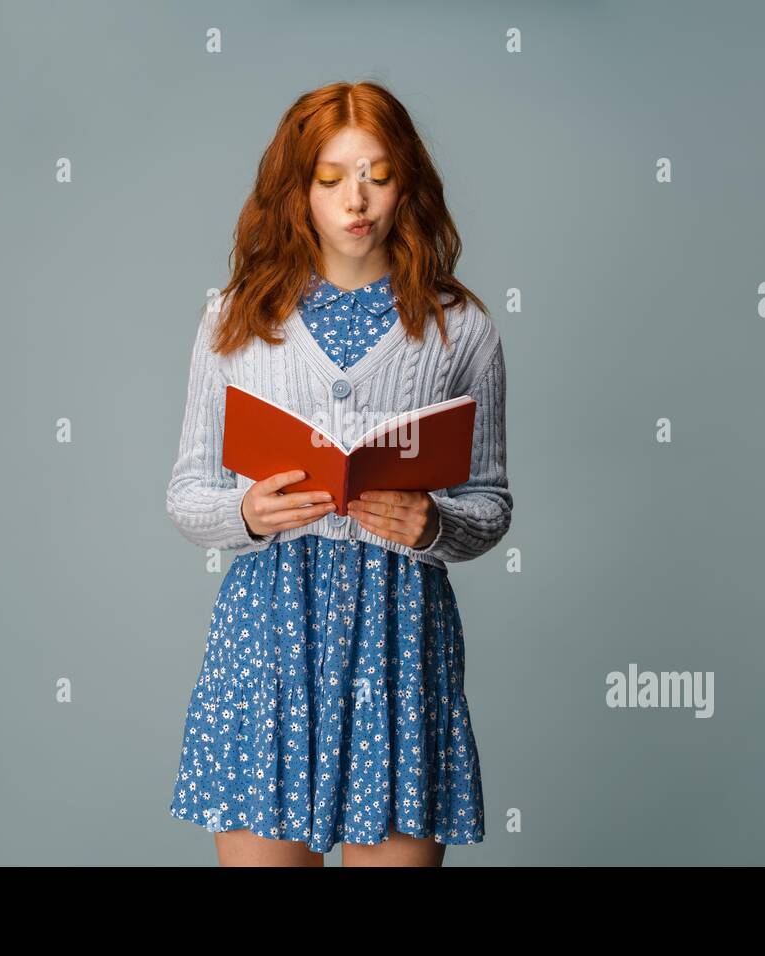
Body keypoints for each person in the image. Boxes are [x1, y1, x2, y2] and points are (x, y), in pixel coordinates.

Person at [165, 80, 511, 867]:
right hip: (268, 644)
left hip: (399, 645)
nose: (357, 200)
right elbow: (187, 493)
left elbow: (489, 500)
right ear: (298, 190)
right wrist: (246, 514)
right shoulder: (235, 318)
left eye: (378, 176)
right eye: (331, 179)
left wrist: (439, 524)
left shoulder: (463, 329)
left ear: (407, 183)